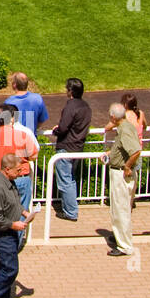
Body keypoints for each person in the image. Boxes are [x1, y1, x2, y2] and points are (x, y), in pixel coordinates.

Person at [0, 154, 37, 298]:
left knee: (3, 265)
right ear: (7, 169)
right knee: (11, 268)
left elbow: (13, 202)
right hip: (0, 233)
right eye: (18, 170)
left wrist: (24, 213)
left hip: (8, 232)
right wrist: (13, 225)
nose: (21, 173)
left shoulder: (9, 181)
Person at [0, 104, 40, 229]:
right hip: (20, 178)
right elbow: (33, 155)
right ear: (11, 119)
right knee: (21, 212)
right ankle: (16, 239)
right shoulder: (23, 136)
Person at [104, 102, 142, 257]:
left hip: (121, 174)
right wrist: (110, 153)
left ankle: (124, 246)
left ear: (113, 117)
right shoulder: (126, 127)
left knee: (121, 211)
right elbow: (125, 148)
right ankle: (119, 236)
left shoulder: (125, 129)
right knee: (120, 209)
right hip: (120, 172)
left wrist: (127, 166)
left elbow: (135, 151)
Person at [51, 78, 91, 222]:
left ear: (70, 91)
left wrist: (56, 131)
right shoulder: (86, 106)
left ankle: (70, 212)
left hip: (66, 147)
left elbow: (63, 127)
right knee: (71, 179)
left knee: (65, 181)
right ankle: (71, 209)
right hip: (78, 147)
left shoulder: (71, 106)